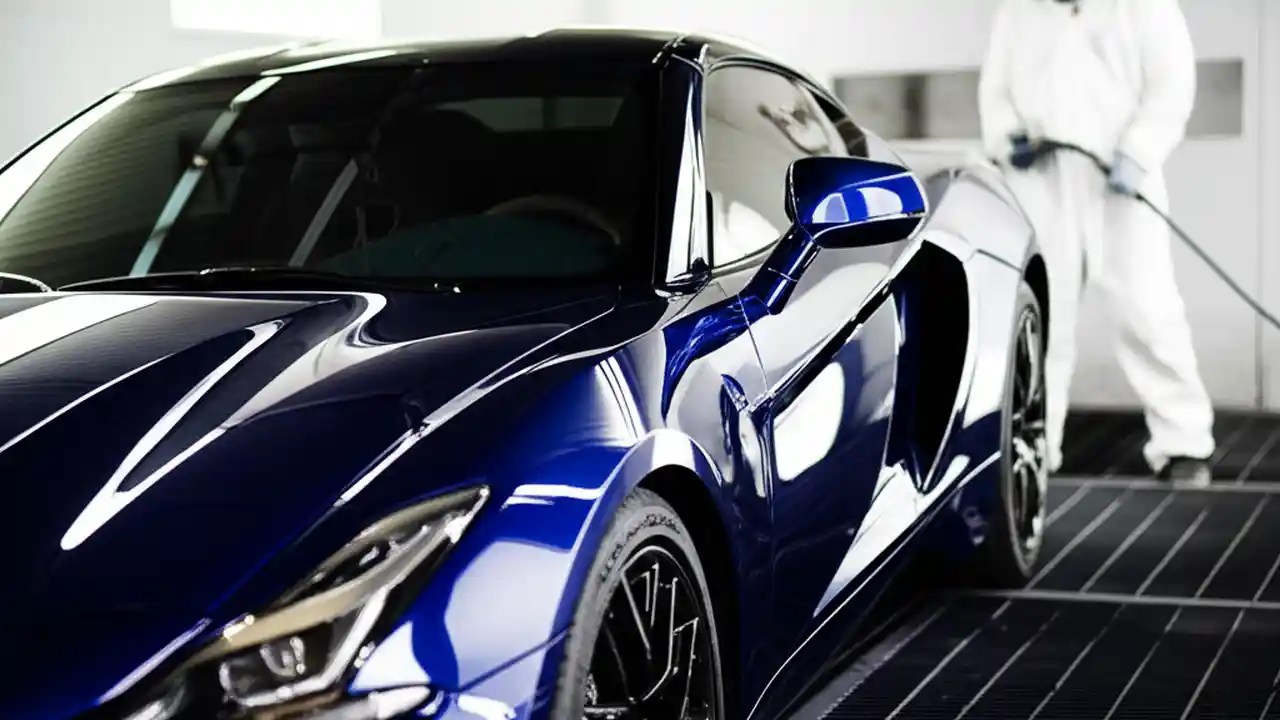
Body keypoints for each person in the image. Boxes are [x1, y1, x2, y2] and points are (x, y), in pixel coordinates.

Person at [978, 0, 1215, 486]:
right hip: (1042, 180)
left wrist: (1139, 150)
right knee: (1042, 317)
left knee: (1148, 312)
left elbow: (1171, 87)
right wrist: (1006, 137)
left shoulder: (1146, 8)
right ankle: (1037, 448)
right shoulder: (1018, 11)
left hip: (1121, 182)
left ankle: (1183, 443)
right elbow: (995, 91)